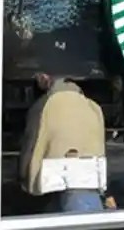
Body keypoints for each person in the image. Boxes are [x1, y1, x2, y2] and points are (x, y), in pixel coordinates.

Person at [19, 70, 107, 213]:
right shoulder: (93, 107)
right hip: (89, 179)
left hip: (51, 182)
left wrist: (23, 177)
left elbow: (30, 146)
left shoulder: (44, 105)